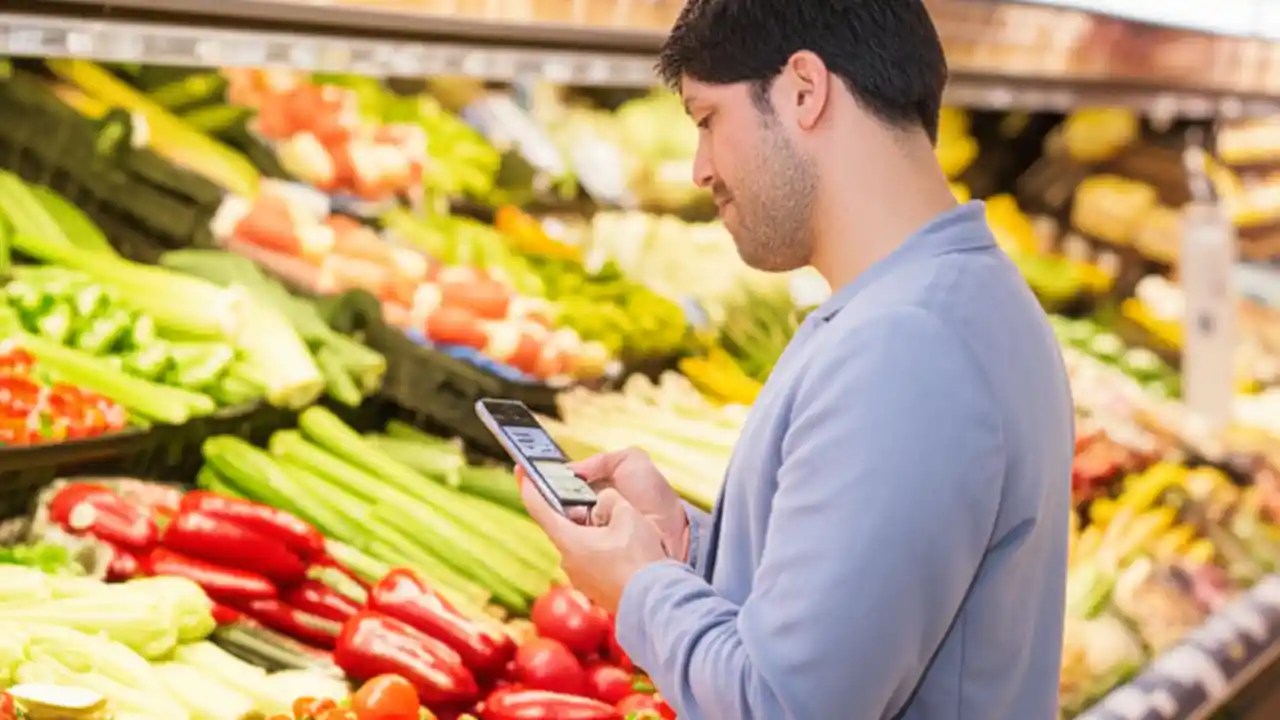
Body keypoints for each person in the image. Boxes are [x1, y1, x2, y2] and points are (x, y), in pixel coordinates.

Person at [516, 1, 1074, 718]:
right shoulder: (955, 296)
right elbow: (845, 623)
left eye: (708, 119)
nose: (699, 170)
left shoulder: (906, 346)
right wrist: (686, 549)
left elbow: (784, 704)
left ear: (804, 91)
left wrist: (638, 586)